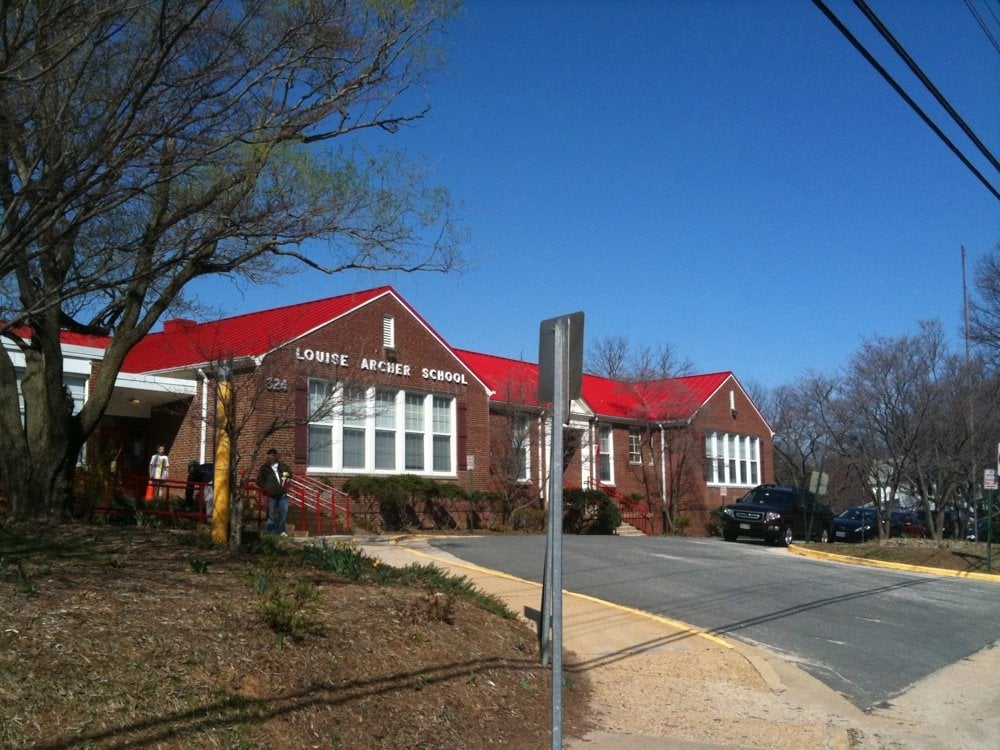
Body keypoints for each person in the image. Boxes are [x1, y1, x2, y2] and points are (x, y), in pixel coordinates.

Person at [257, 448, 291, 535]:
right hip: (270, 495)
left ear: (276, 456)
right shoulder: (265, 468)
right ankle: (271, 531)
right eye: (269, 455)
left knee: (283, 513)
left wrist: (287, 477)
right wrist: (266, 488)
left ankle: (281, 531)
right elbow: (259, 481)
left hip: (282, 494)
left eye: (273, 455)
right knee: (270, 514)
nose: (271, 457)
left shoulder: (283, 466)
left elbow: (290, 474)